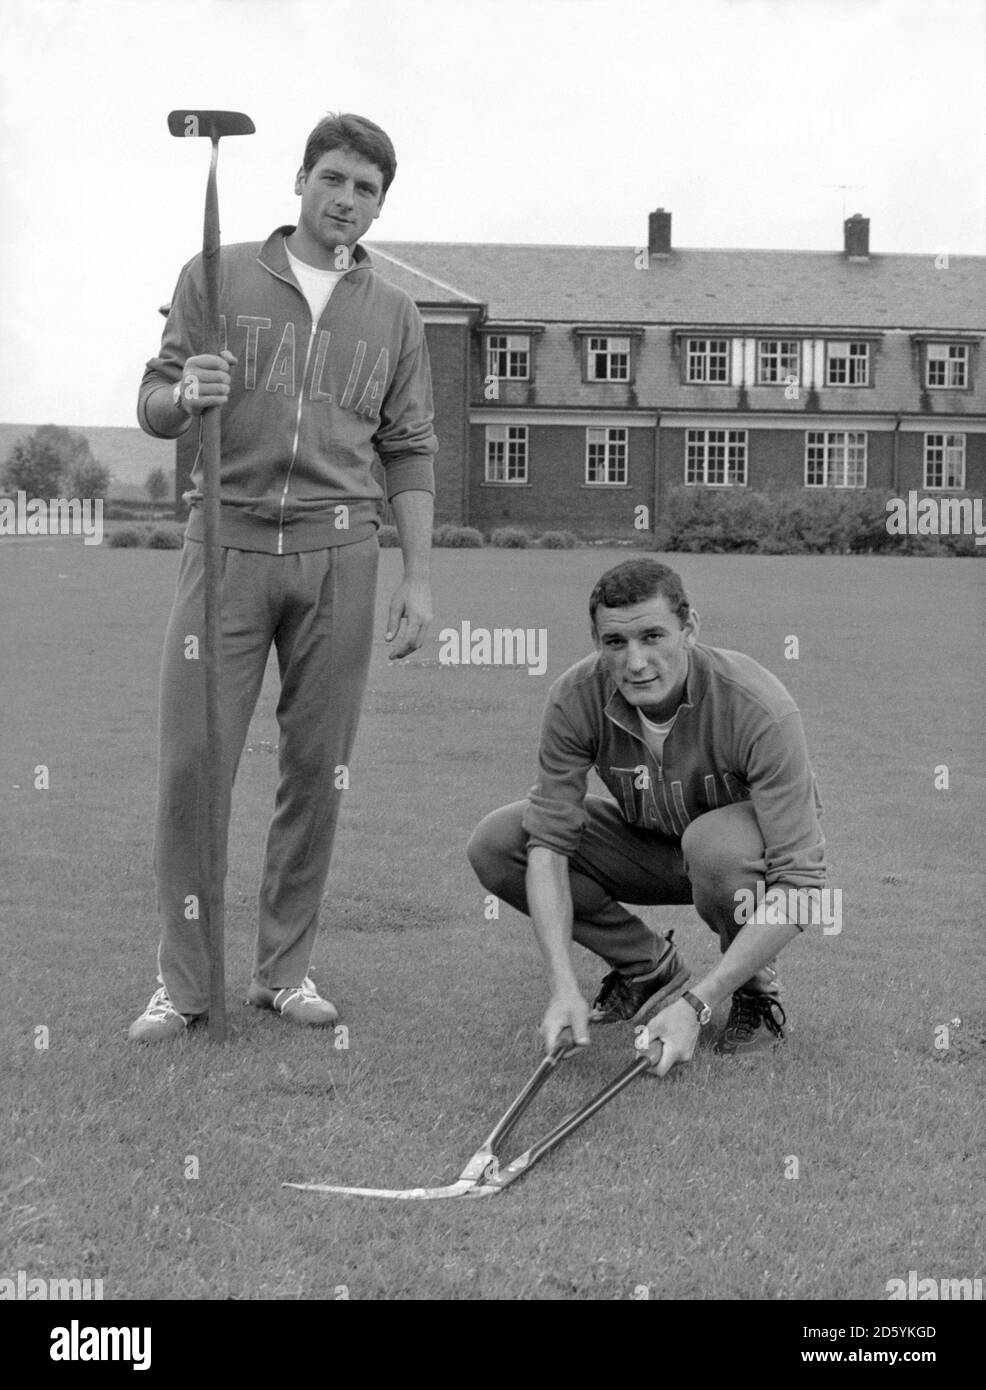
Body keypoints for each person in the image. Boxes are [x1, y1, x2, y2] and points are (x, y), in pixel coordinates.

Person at [129, 113, 436, 1042]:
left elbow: (411, 447)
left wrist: (417, 579)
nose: (347, 200)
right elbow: (150, 400)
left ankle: (284, 970)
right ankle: (182, 985)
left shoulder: (396, 313)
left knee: (319, 769)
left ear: (380, 204)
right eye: (334, 179)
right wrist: (187, 397)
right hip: (223, 543)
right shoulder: (215, 276)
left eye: (367, 190)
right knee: (195, 766)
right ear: (301, 180)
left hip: (341, 552)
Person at [467, 558, 826, 1075]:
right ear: (596, 641)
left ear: (690, 628)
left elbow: (801, 882)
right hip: (654, 845)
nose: (636, 662)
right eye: (615, 642)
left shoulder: (759, 706)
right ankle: (645, 966)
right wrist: (563, 985)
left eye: (653, 636)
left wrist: (698, 1006)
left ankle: (751, 990)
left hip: (742, 864)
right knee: (501, 841)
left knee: (715, 847)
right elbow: (548, 845)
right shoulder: (575, 698)